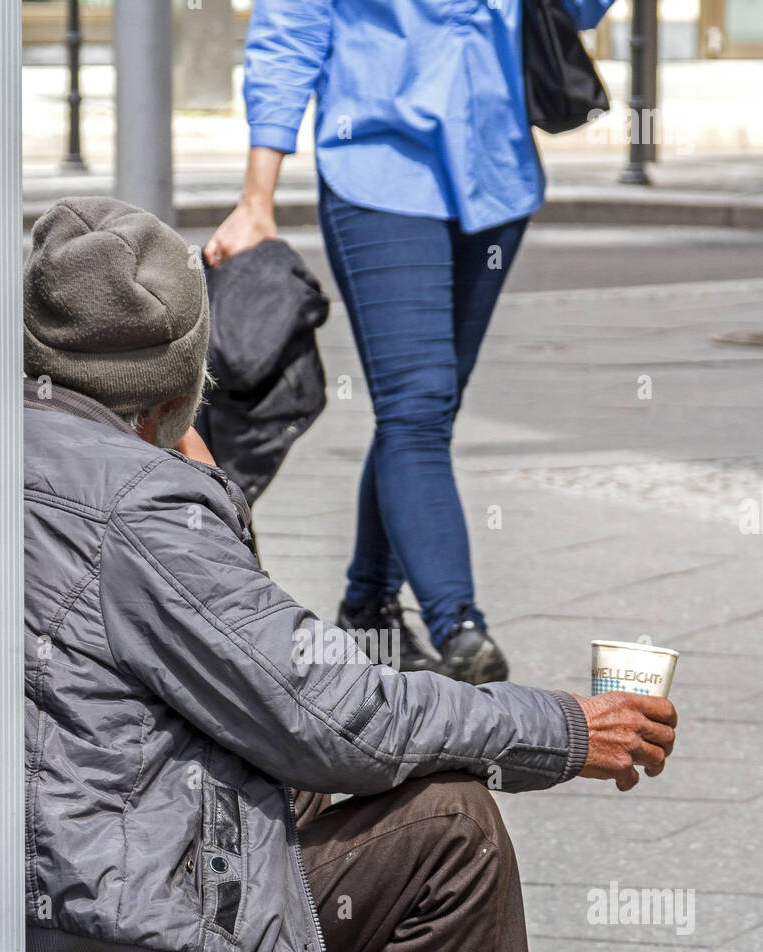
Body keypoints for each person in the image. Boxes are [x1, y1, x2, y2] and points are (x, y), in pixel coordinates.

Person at [24, 196, 676, 952]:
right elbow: (336, 709)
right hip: (118, 920)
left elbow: (249, 681)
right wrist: (562, 728)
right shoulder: (143, 507)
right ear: (182, 374)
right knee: (448, 821)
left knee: (320, 780)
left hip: (36, 880)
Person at [207, 0, 617, 681]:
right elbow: (289, 29)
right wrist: (258, 196)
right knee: (418, 406)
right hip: (380, 171)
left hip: (495, 174)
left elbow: (581, 9)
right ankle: (460, 626)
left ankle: (368, 610)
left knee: (425, 410)